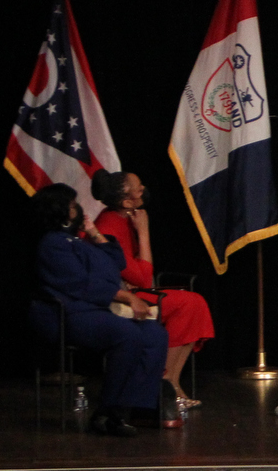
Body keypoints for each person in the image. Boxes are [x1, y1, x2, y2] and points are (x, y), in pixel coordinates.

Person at [27, 183, 169, 437]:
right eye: (72, 205)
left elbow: (116, 262)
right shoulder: (52, 243)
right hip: (70, 314)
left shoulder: (76, 241)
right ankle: (108, 410)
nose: (77, 208)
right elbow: (78, 282)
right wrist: (126, 296)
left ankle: (126, 409)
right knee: (128, 335)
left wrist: (93, 232)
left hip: (98, 311)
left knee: (154, 334)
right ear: (59, 210)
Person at [91, 169, 215, 406]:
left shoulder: (123, 217)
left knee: (194, 303)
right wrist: (144, 231)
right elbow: (144, 279)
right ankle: (165, 385)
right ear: (127, 201)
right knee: (188, 303)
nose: (143, 190)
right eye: (138, 188)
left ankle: (170, 381)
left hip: (133, 291)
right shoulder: (109, 227)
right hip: (118, 299)